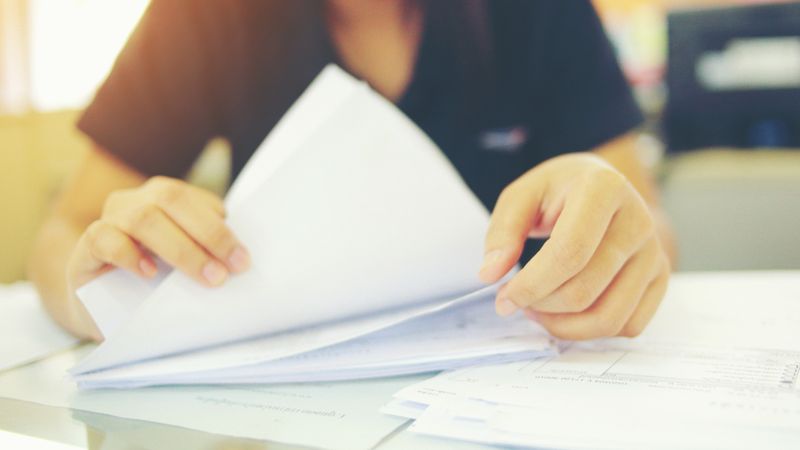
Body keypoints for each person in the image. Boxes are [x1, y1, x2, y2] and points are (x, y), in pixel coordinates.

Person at [28, 0, 676, 343]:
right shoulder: (205, 11)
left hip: (510, 377)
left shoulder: (538, 11)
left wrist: (621, 248)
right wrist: (102, 300)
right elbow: (69, 229)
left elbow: (644, 223)